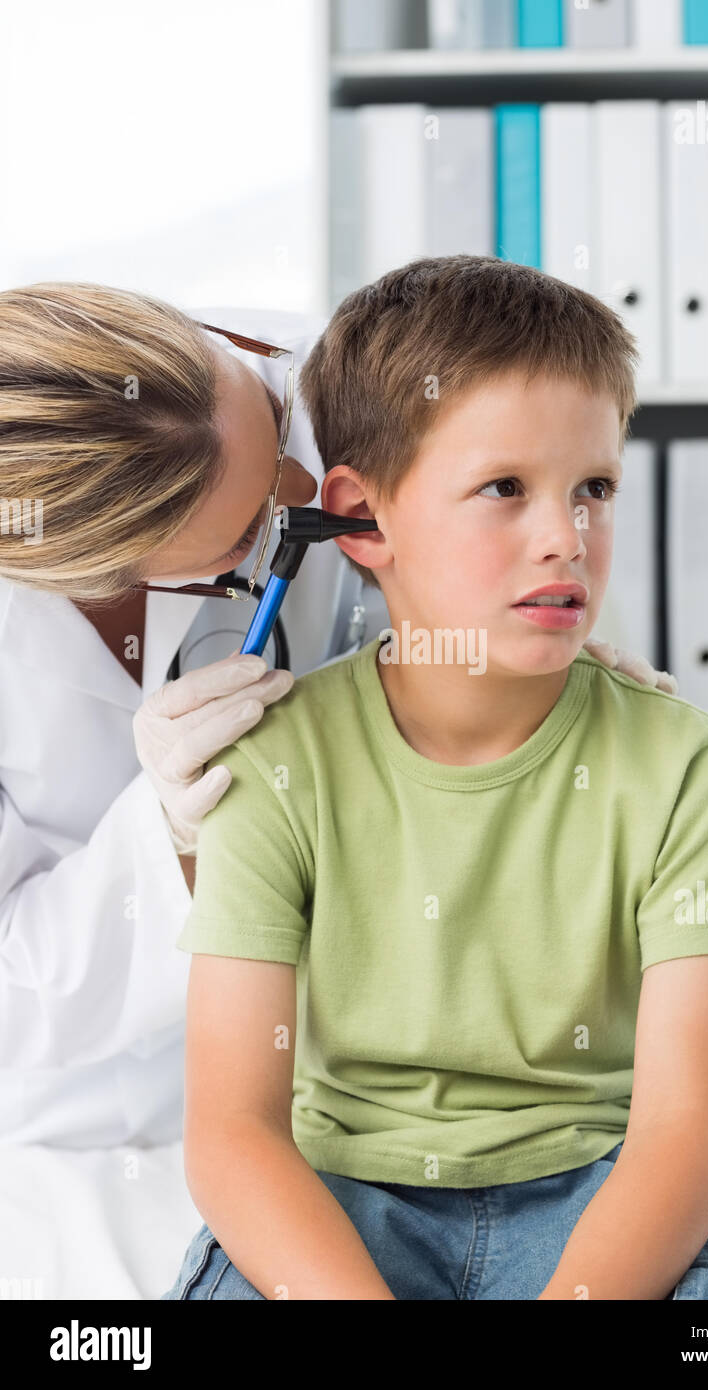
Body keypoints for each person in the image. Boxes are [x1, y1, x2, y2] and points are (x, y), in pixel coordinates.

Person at [162, 255, 708, 1302]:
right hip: (338, 1201)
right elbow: (232, 1130)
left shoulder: (686, 766)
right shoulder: (274, 765)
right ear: (361, 520)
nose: (566, 538)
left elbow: (684, 1138)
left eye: (592, 488)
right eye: (503, 488)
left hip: (608, 1194)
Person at [0, 279, 669, 1149]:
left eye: (273, 426)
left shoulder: (324, 388)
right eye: (256, 536)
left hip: (362, 1090)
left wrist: (533, 672)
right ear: (110, 573)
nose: (309, 486)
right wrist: (168, 835)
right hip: (80, 1124)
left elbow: (483, 552)